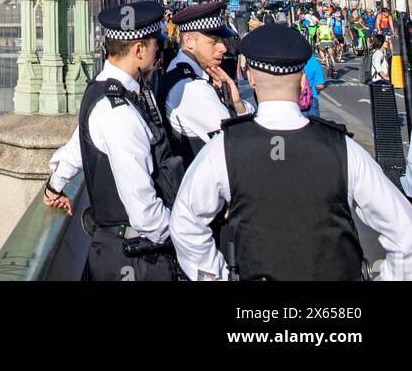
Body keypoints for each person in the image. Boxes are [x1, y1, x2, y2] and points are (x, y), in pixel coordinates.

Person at [169, 24, 412, 281]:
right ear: (302, 79)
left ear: (251, 78)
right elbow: (405, 233)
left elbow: (185, 225)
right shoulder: (344, 149)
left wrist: (217, 276)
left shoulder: (222, 149)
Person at [44, 2, 183, 281]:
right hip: (138, 257)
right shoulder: (120, 112)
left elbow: (76, 149)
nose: (158, 52)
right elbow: (144, 214)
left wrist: (54, 185)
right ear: (139, 50)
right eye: (155, 44)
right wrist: (187, 235)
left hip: (113, 251)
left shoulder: (100, 89)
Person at [157, 0, 253, 167]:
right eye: (214, 41)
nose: (223, 48)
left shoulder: (182, 71)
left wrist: (234, 101)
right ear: (189, 41)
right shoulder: (192, 88)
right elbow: (241, 144)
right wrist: (239, 106)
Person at [301, 48, 326, 118]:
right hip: (310, 99)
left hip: (292, 100)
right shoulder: (313, 61)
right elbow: (320, 85)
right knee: (314, 126)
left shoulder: (289, 60)